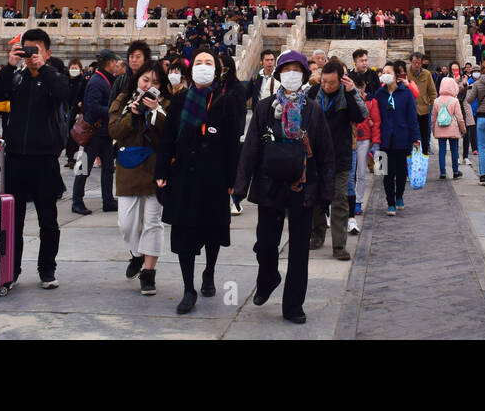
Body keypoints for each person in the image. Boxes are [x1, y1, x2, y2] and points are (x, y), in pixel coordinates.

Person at [233, 50, 334, 324]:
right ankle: (268, 278)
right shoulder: (265, 108)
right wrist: (239, 187)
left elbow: (325, 152)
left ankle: (293, 305)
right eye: (286, 69)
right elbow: (251, 148)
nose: (291, 74)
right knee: (265, 245)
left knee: (299, 251)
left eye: (296, 69)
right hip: (269, 185)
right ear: (278, 74)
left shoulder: (312, 109)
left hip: (302, 187)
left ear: (303, 75)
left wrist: (326, 192)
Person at [155, 50, 243, 312]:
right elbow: (167, 138)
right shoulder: (180, 100)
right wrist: (161, 171)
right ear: (190, 69)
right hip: (184, 175)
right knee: (184, 233)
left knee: (212, 231)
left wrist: (232, 180)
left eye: (208, 64)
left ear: (217, 70)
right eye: (198, 63)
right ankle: (188, 288)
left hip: (214, 177)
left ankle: (209, 272)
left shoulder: (226, 101)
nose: (203, 67)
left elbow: (232, 144)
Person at [0, 28, 69, 288]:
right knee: (14, 219)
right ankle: (11, 270)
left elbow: (63, 94)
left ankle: (47, 270)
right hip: (15, 157)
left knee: (49, 219)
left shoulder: (53, 76)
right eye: (27, 49)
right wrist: (9, 65)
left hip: (45, 158)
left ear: (46, 51)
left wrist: (42, 68)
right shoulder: (16, 78)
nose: (30, 54)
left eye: (35, 49)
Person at [108, 63, 168, 295]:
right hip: (129, 167)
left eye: (155, 82)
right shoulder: (123, 101)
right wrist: (132, 114)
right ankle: (136, 253)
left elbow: (171, 131)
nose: (149, 86)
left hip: (157, 169)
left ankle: (149, 273)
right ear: (137, 80)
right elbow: (114, 131)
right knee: (127, 224)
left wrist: (155, 111)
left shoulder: (166, 104)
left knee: (153, 223)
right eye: (145, 80)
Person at [305, 59, 367, 258]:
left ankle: (339, 245)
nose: (326, 86)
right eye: (324, 81)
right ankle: (317, 234)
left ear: (341, 80)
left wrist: (351, 93)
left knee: (339, 199)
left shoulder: (347, 95)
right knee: (314, 197)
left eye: (331, 83)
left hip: (340, 155)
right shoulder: (313, 93)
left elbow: (359, 117)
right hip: (316, 155)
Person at [72, 48, 121, 215]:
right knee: (84, 167)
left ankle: (108, 200)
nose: (116, 65)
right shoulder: (96, 81)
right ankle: (77, 201)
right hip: (94, 133)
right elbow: (92, 108)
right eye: (114, 62)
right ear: (108, 63)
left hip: (105, 133)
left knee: (108, 167)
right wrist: (113, 110)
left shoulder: (106, 79)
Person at [374, 61, 420, 215]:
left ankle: (399, 195)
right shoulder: (379, 94)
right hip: (384, 139)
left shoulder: (406, 93)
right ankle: (390, 203)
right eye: (384, 72)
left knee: (401, 171)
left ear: (395, 75)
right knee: (386, 173)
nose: (385, 75)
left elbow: (412, 117)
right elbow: (375, 115)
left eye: (389, 72)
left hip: (402, 137)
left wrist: (416, 137)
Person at [348, 88, 381, 234]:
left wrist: (375, 141)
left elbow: (376, 121)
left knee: (361, 173)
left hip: (364, 139)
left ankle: (358, 201)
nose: (359, 91)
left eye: (361, 88)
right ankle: (350, 201)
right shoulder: (346, 99)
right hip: (350, 140)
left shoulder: (372, 102)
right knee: (350, 175)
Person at [431, 76, 467, 180]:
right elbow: (460, 118)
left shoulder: (436, 101)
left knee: (442, 151)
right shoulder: (454, 101)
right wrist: (463, 130)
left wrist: (433, 130)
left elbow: (433, 118)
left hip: (440, 128)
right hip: (452, 129)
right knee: (454, 150)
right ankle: (455, 171)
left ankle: (442, 172)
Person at [410, 52, 437, 155]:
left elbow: (432, 92)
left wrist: (433, 105)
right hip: (410, 110)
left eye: (419, 63)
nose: (417, 65)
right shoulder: (407, 73)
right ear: (411, 62)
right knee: (412, 136)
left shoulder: (427, 74)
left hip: (424, 109)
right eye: (414, 62)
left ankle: (424, 156)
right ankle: (413, 157)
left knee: (424, 136)